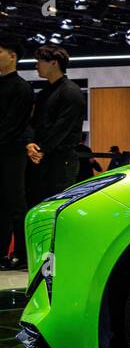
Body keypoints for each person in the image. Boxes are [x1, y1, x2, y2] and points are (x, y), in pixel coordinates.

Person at [24, 45, 85, 205]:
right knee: (37, 203)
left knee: (57, 204)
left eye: (40, 61)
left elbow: (62, 128)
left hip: (61, 160)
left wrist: (41, 149)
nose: (36, 65)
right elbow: (33, 123)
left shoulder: (71, 92)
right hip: (41, 158)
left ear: (54, 63)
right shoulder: (44, 94)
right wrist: (30, 144)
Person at [0, 37, 34, 270]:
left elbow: (13, 124)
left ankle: (21, 254)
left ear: (12, 56)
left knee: (15, 204)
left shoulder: (22, 87)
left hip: (12, 152)